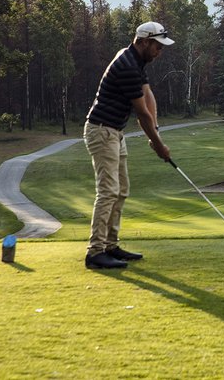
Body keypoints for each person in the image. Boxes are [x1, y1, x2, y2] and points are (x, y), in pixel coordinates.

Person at [83, 21, 175, 269]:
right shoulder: (127, 66)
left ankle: (111, 246)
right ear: (144, 41)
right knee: (108, 191)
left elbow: (148, 96)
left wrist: (155, 131)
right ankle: (95, 252)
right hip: (102, 131)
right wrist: (158, 145)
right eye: (157, 46)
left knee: (121, 190)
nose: (160, 51)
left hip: (115, 132)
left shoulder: (137, 61)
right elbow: (141, 114)